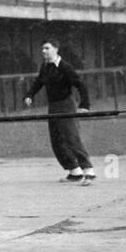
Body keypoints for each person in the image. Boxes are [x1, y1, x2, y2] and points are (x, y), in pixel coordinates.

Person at [23, 41, 96, 184]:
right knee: (56, 141)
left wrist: (84, 104)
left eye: (47, 48)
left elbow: (80, 84)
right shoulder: (45, 66)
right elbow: (38, 82)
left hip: (66, 105)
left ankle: (88, 171)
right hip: (53, 106)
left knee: (71, 138)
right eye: (42, 48)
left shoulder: (64, 67)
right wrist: (29, 95)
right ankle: (74, 171)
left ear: (56, 49)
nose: (43, 51)